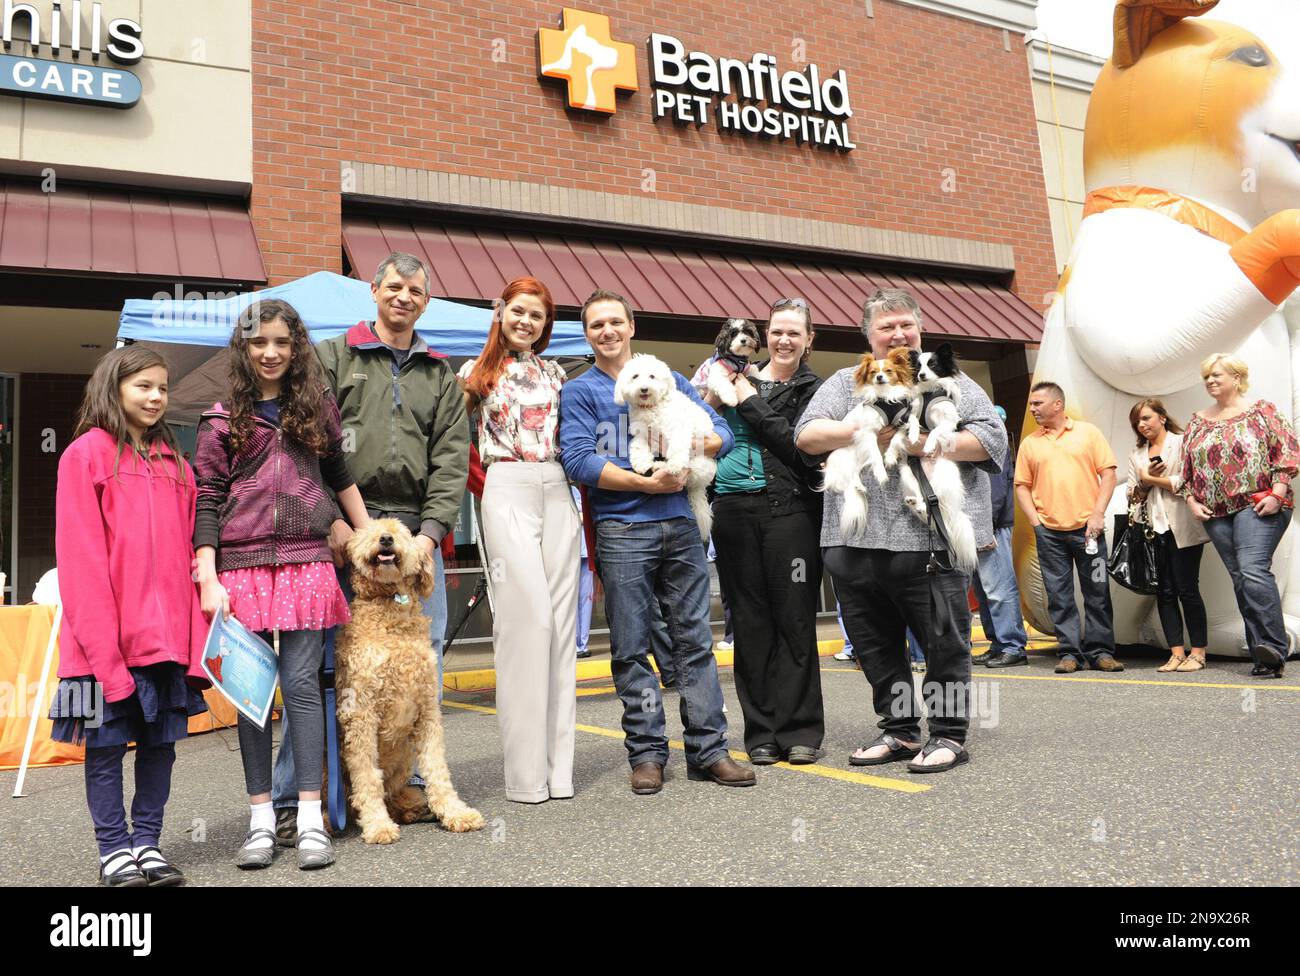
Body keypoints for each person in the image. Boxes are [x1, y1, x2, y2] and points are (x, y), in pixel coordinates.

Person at [271, 252, 469, 837]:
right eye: (394, 286)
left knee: (416, 679)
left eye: (415, 289)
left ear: (425, 301)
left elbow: (451, 461)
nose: (404, 296)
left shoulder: (439, 372)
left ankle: (406, 785)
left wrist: (431, 536)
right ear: (374, 290)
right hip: (340, 535)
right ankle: (292, 802)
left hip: (411, 535)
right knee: (314, 674)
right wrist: (331, 520)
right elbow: (306, 442)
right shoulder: (333, 357)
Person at [795, 288, 1005, 774]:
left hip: (928, 540)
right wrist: (873, 433)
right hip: (854, 541)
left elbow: (991, 441)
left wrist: (922, 443)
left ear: (919, 328)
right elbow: (806, 436)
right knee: (873, 645)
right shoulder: (845, 382)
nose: (897, 333)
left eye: (905, 325)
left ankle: (949, 735)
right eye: (886, 327)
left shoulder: (948, 376)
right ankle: (900, 731)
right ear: (868, 335)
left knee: (944, 643)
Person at [193, 299, 369, 870]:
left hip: (306, 562)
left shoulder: (317, 407)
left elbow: (339, 475)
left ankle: (312, 820)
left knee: (299, 687)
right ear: (244, 349)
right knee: (251, 697)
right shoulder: (221, 418)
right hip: (240, 570)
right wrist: (207, 574)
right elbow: (209, 498)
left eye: (281, 343)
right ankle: (261, 821)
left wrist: (369, 537)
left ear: (297, 350)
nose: (270, 353)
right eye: (258, 343)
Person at [559, 288, 754, 794]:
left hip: (681, 523)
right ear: (588, 333)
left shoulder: (672, 380)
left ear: (630, 327)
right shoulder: (580, 392)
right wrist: (643, 482)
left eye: (615, 322)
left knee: (695, 643)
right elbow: (579, 461)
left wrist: (689, 445)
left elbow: (722, 435)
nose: (607, 331)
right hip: (623, 529)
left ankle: (709, 750)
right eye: (596, 324)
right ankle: (647, 754)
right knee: (630, 647)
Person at [50, 347, 210, 887]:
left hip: (166, 642)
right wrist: (105, 658)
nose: (155, 397)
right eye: (144, 385)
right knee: (105, 747)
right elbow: (80, 565)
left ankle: (148, 843)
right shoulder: (84, 456)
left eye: (163, 388)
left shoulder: (178, 465)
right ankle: (114, 850)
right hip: (102, 647)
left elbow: (190, 559)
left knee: (160, 748)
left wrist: (197, 639)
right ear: (113, 388)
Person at [458, 277, 579, 804]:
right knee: (526, 623)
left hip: (557, 490)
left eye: (538, 316)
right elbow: (444, 441)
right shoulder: (473, 374)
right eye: (519, 312)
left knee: (560, 629)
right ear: (501, 312)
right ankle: (526, 777)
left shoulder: (556, 373)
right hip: (505, 488)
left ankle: (560, 773)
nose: (527, 322)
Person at [706, 298, 826, 765]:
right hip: (734, 513)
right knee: (750, 623)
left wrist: (749, 401)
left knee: (794, 617)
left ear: (809, 340)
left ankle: (800, 730)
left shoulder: (814, 389)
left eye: (795, 332)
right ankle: (760, 731)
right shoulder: (730, 375)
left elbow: (798, 447)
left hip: (790, 512)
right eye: (776, 330)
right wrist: (718, 395)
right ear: (763, 336)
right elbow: (702, 424)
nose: (784, 339)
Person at [1180, 354, 1299, 679]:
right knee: (1240, 578)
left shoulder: (1261, 411)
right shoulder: (1197, 421)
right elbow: (1185, 472)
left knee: (1252, 569)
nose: (1210, 381)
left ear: (1236, 377)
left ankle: (1274, 647)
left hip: (1258, 504)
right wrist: (1191, 501)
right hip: (1215, 512)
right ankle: (1263, 657)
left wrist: (1278, 492)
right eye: (1206, 377)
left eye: (1217, 375)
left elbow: (1287, 451)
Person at [1015, 381, 1122, 674]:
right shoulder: (1030, 443)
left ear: (1057, 405)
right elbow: (1021, 486)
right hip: (1049, 535)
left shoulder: (1088, 433)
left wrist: (1098, 514)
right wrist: (1036, 522)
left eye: (1037, 403)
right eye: (1032, 403)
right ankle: (1070, 654)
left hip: (1090, 532)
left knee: (1098, 592)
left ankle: (1101, 652)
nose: (1032, 408)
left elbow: (1109, 474)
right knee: (1059, 596)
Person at [1125, 399, 1210, 672]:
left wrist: (1150, 479)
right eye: (1138, 421)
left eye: (1147, 418)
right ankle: (1176, 653)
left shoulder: (1182, 442)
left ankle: (1198, 652)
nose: (1142, 425)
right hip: (1153, 530)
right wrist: (1144, 481)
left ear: (1162, 417)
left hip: (1183, 527)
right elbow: (1132, 494)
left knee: (1188, 589)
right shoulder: (1138, 453)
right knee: (1164, 592)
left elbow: (1185, 482)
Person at [978, 405, 1031, 668]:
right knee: (985, 590)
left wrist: (987, 527)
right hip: (980, 528)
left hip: (992, 528)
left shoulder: (992, 446)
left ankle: (1012, 645)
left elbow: (995, 494)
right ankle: (998, 644)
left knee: (999, 589)